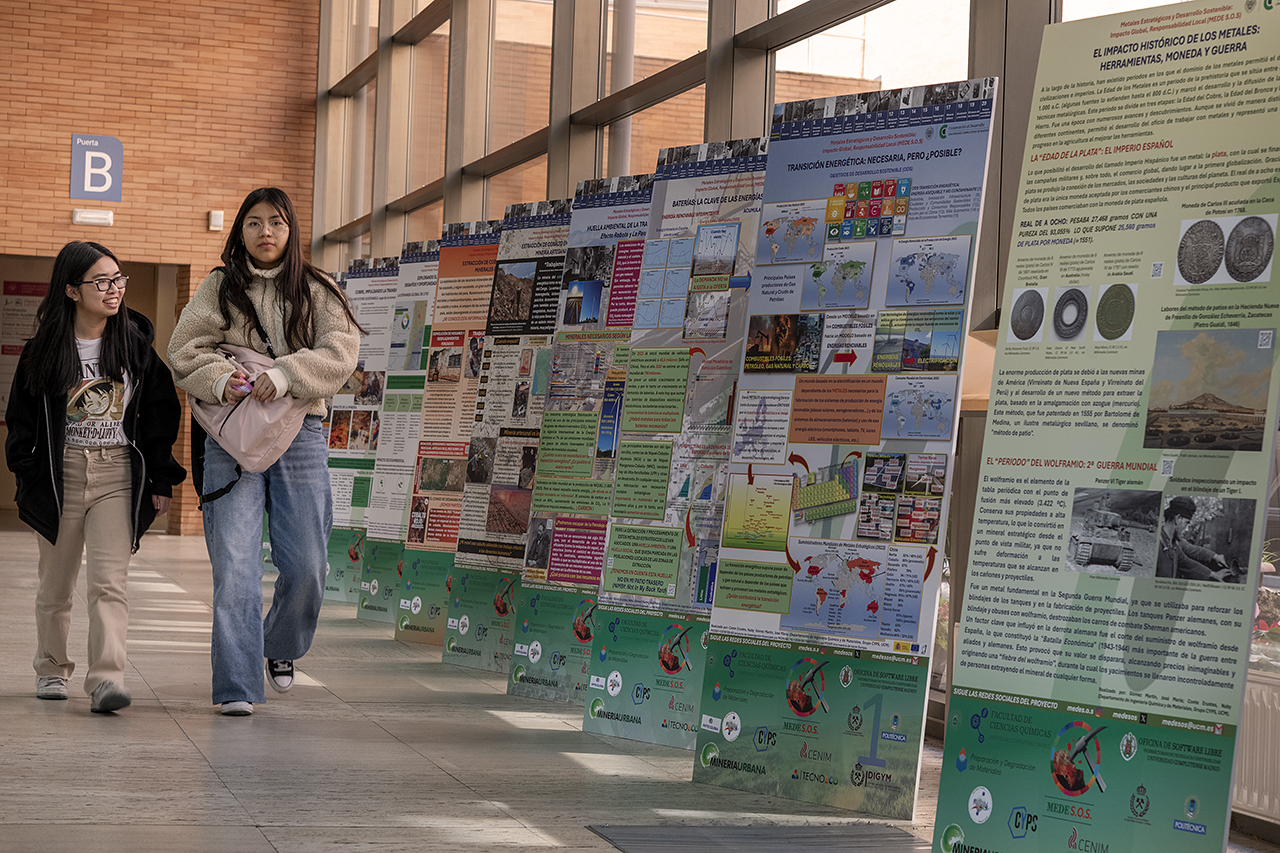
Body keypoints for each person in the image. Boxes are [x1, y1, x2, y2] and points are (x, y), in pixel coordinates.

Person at [168, 188, 361, 716]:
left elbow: (341, 352)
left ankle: (277, 645)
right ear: (240, 232)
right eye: (253, 223)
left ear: (291, 229)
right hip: (231, 437)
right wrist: (221, 378)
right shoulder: (217, 287)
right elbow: (183, 350)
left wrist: (285, 373)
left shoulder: (318, 288)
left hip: (301, 433)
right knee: (235, 566)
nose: (265, 232)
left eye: (275, 222)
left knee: (308, 565)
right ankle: (236, 684)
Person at [5, 241, 185, 713]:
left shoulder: (134, 345)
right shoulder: (41, 352)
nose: (114, 290)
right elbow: (21, 419)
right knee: (56, 585)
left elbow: (162, 411)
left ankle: (106, 679)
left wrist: (160, 479)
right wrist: (27, 473)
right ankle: (50, 668)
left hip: (117, 471)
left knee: (110, 582)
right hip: (61, 472)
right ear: (71, 289)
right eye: (101, 281)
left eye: (118, 279)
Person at [1156, 496, 1231, 581]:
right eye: (1186, 523)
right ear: (1178, 518)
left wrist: (1214, 573)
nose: (1187, 528)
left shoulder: (1173, 545)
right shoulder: (1158, 544)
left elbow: (1187, 563)